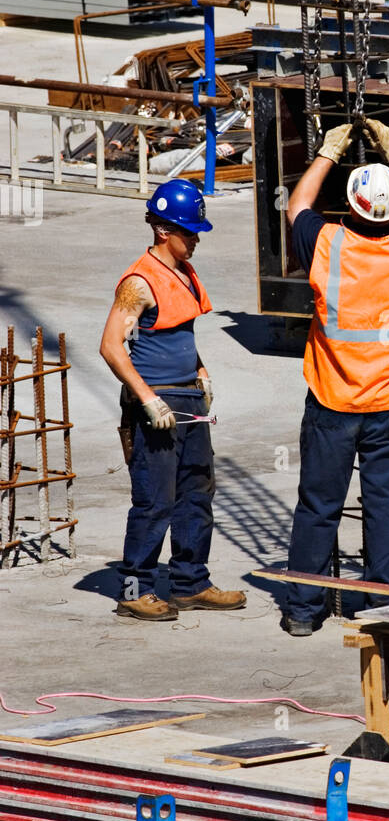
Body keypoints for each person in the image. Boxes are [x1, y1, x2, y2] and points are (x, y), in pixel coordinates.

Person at [282, 119, 389, 637]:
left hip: (333, 400)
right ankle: (386, 608)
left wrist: (328, 152)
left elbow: (297, 206)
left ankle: (304, 609)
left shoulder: (327, 244)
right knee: (387, 506)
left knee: (319, 504)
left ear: (350, 207)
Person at [99, 180, 246, 622]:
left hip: (189, 400)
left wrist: (200, 370)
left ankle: (190, 582)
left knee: (196, 492)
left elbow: (180, 332)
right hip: (157, 406)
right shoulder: (139, 282)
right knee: (154, 500)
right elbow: (110, 346)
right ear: (164, 231)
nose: (196, 239)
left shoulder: (182, 272)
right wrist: (147, 399)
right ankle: (133, 590)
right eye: (189, 232)